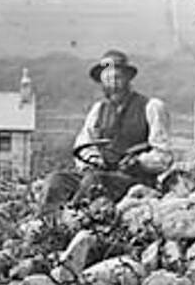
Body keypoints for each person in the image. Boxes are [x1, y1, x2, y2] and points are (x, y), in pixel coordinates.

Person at [39, 50, 173, 209]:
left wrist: (140, 162)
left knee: (95, 181)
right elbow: (84, 143)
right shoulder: (98, 110)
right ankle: (46, 224)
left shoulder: (151, 107)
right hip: (99, 174)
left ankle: (74, 219)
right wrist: (94, 160)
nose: (113, 84)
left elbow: (164, 156)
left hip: (134, 180)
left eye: (118, 78)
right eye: (107, 79)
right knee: (57, 180)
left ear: (128, 78)